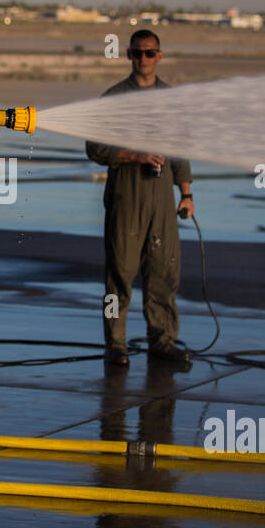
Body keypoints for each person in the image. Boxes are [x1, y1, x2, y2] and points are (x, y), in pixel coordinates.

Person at [85, 29, 193, 366]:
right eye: (137, 53)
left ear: (159, 56)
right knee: (120, 275)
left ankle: (163, 340)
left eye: (149, 53)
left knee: (163, 272)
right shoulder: (115, 98)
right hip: (126, 198)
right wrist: (134, 156)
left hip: (161, 199)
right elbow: (95, 148)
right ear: (129, 56)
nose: (143, 59)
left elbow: (179, 151)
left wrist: (186, 193)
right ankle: (115, 344)